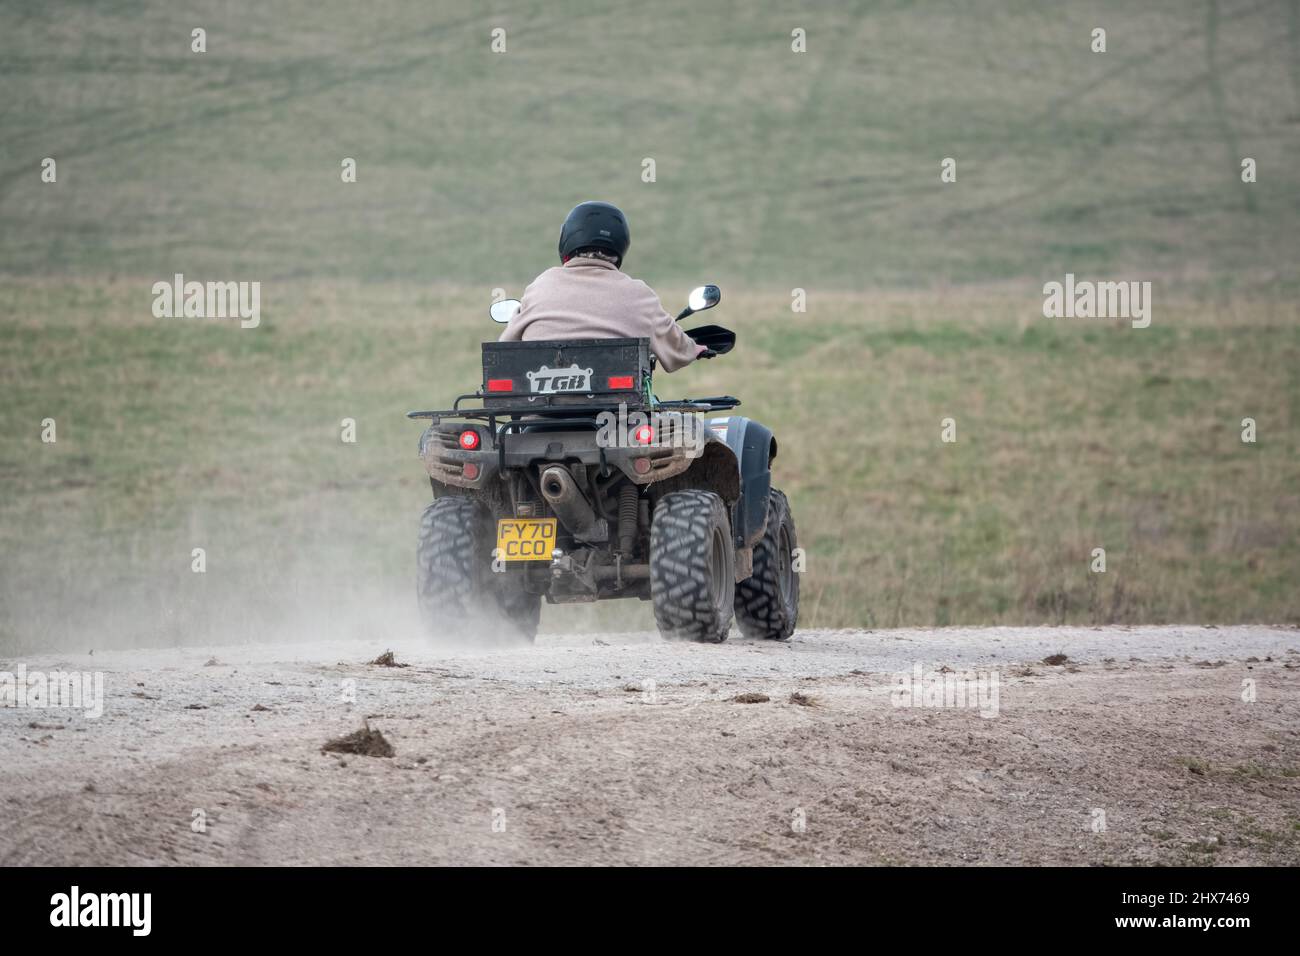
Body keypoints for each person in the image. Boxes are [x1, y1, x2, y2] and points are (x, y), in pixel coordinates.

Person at [497, 201, 709, 371]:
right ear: (621, 244)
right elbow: (677, 347)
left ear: (566, 239)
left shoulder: (541, 285)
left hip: (538, 419)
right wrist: (695, 348)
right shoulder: (637, 293)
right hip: (617, 419)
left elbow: (505, 347)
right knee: (690, 425)